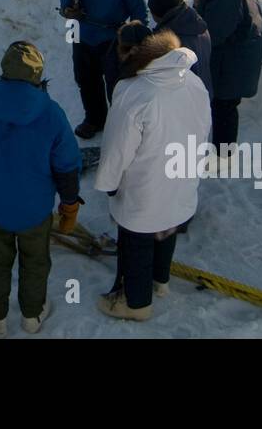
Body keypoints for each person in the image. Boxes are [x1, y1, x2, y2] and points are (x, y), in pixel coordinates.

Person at [0, 40, 82, 338]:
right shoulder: (52, 113)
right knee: (35, 262)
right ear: (37, 76)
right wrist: (69, 204)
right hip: (35, 209)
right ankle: (31, 315)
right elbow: (66, 165)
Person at [94, 29, 211, 321]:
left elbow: (117, 148)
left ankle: (135, 304)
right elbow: (204, 128)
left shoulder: (135, 91)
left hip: (144, 187)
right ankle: (161, 281)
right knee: (167, 226)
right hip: (182, 177)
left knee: (137, 243)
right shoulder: (193, 82)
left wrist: (109, 184)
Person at [58, 0, 148, 139]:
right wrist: (68, 10)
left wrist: (134, 38)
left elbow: (139, 13)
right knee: (86, 81)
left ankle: (120, 125)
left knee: (116, 86)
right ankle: (94, 119)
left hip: (112, 38)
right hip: (83, 35)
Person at [191, 0, 262, 153]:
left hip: (230, 63)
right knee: (225, 107)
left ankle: (223, 155)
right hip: (238, 59)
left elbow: (215, 32)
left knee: (224, 108)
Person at [144, 0, 212, 96]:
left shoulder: (169, 41)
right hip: (204, 92)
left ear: (158, 14)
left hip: (184, 101)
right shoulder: (197, 24)